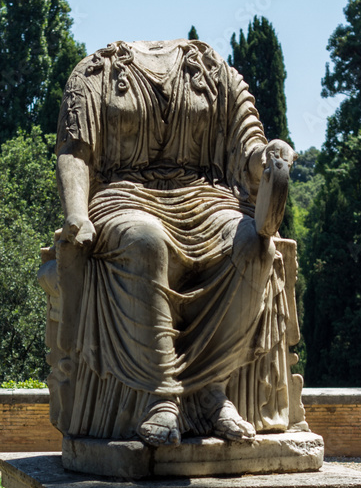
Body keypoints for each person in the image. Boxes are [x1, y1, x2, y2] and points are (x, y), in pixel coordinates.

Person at [46, 38, 297, 446]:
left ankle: (213, 392)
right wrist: (76, 213)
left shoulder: (214, 70)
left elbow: (247, 146)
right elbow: (74, 152)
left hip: (206, 199)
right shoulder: (94, 74)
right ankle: (161, 397)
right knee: (144, 241)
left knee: (252, 243)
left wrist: (270, 155)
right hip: (124, 196)